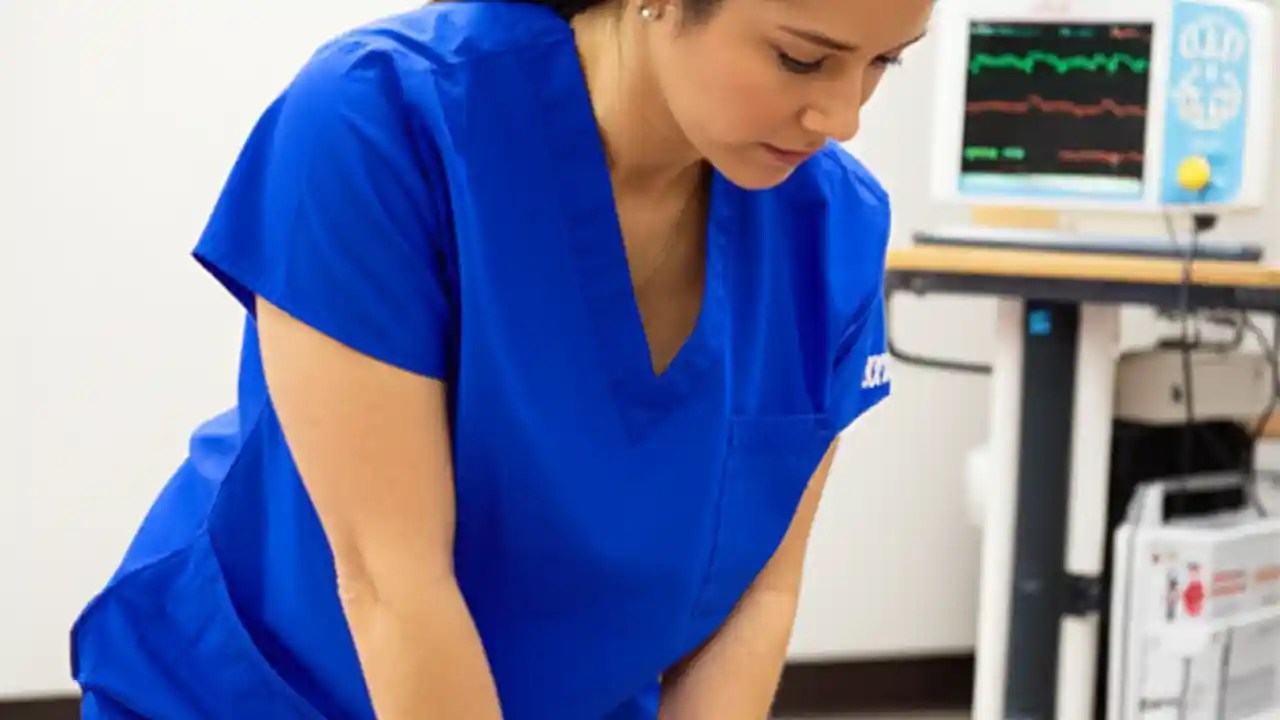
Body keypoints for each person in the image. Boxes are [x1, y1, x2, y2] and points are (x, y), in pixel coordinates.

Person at [70, 0, 931, 717]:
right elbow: (389, 581)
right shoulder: (382, 123)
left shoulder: (831, 230)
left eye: (884, 64)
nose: (843, 117)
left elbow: (757, 598)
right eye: (801, 60)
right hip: (266, 691)